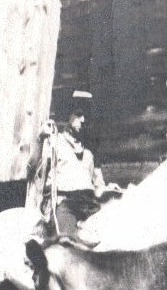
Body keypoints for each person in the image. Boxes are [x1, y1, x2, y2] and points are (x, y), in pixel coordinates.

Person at [25, 91, 120, 243]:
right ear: (68, 115)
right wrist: (40, 139)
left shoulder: (90, 149)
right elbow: (32, 167)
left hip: (90, 205)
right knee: (68, 243)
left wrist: (107, 189)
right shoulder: (54, 141)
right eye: (79, 114)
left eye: (86, 115)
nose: (83, 120)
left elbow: (97, 184)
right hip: (65, 204)